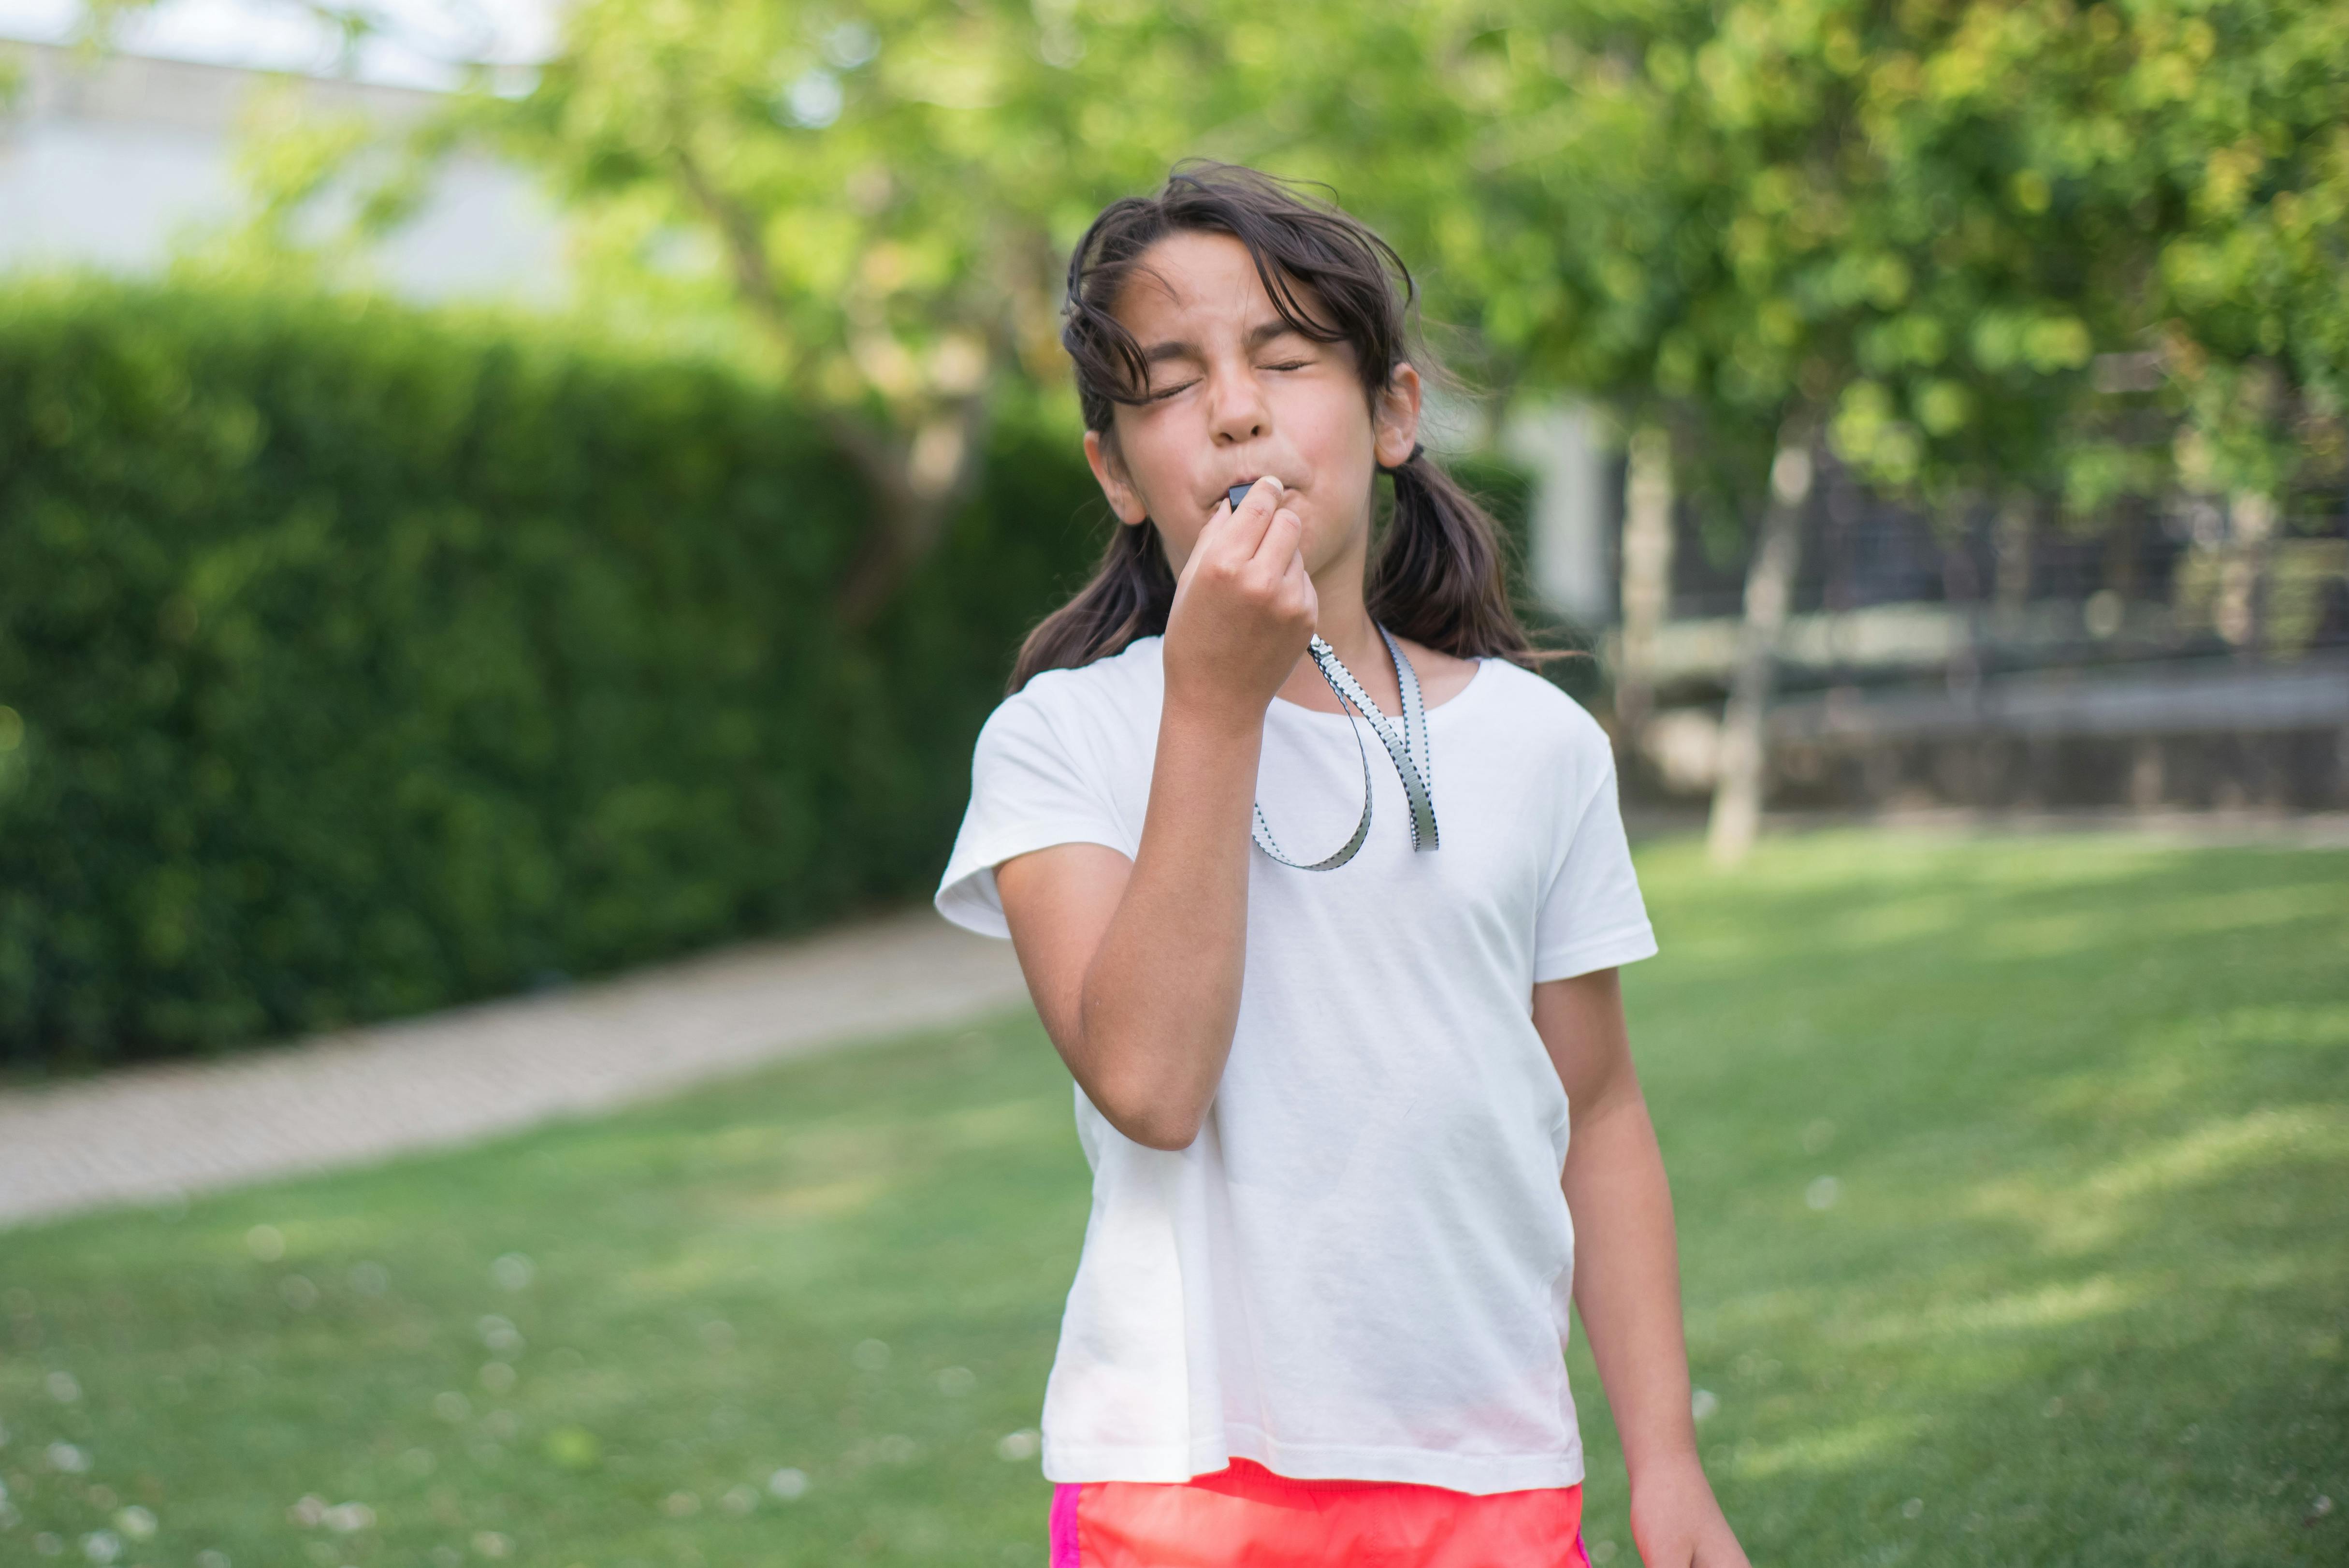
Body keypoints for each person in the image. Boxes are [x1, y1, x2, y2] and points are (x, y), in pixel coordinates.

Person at [935, 163, 1751, 1568]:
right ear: (1117, 473)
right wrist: (1212, 703)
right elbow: (1148, 1085)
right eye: (1171, 380)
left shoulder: (1539, 745)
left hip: (1488, 1473)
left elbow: (1599, 1109)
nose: (1236, 408)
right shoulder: (1063, 737)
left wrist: (1664, 1460)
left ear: (1391, 412)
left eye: (1285, 356)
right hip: (1178, 1482)